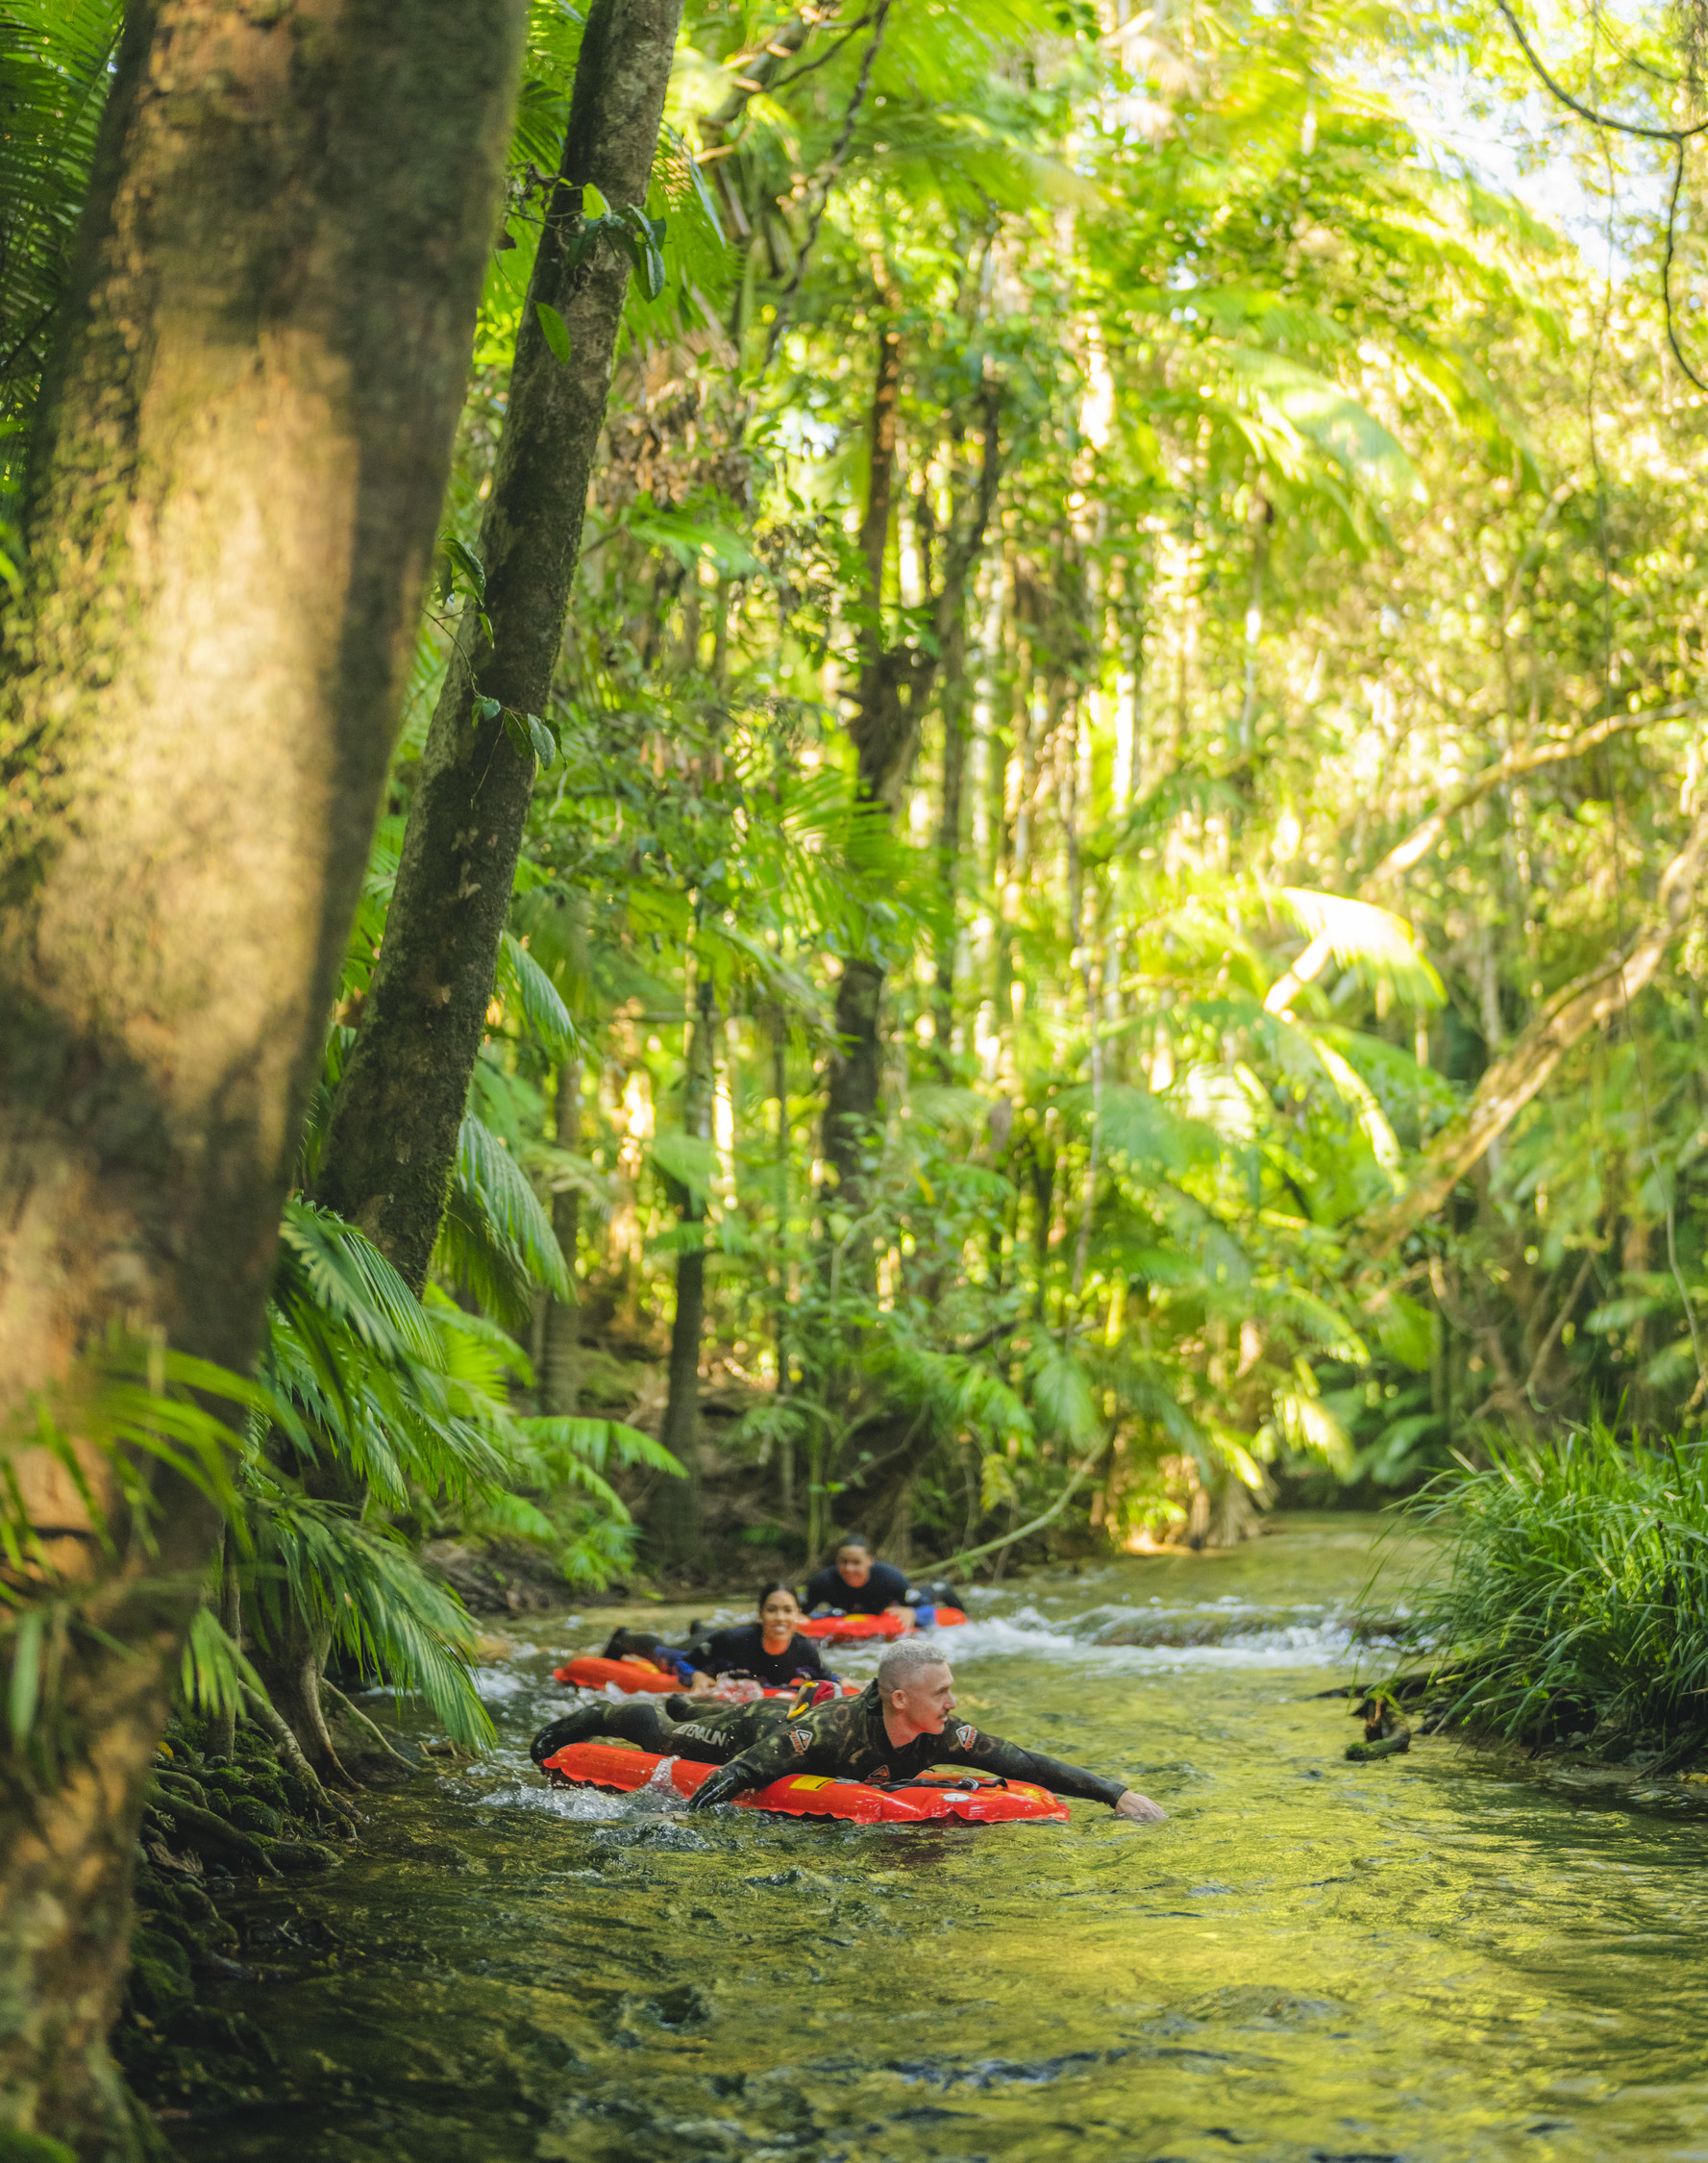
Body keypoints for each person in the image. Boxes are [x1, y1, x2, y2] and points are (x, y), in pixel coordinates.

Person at [530, 1639, 1166, 1824]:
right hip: (766, 1725)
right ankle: (601, 1712)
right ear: (899, 1699)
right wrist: (686, 1818)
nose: (952, 1703)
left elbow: (1025, 1762)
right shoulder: (829, 1729)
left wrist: (1113, 1793)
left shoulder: (946, 1734)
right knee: (674, 1732)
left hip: (795, 1729)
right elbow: (749, 1767)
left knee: (687, 1720)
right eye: (941, 1693)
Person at [692, 1583, 840, 1690]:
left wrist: (841, 1681)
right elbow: (680, 1661)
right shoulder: (732, 1642)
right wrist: (695, 1675)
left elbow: (826, 1679)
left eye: (788, 1610)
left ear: (798, 1614)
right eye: (771, 1610)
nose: (780, 1617)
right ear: (760, 1614)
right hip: (703, 1642)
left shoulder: (805, 1650)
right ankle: (699, 1629)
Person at [802, 1533, 912, 1618]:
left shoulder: (892, 1579)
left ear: (869, 1560)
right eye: (844, 1562)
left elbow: (925, 1608)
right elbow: (801, 1614)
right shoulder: (822, 1582)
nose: (849, 1568)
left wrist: (913, 1613)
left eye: (856, 1562)